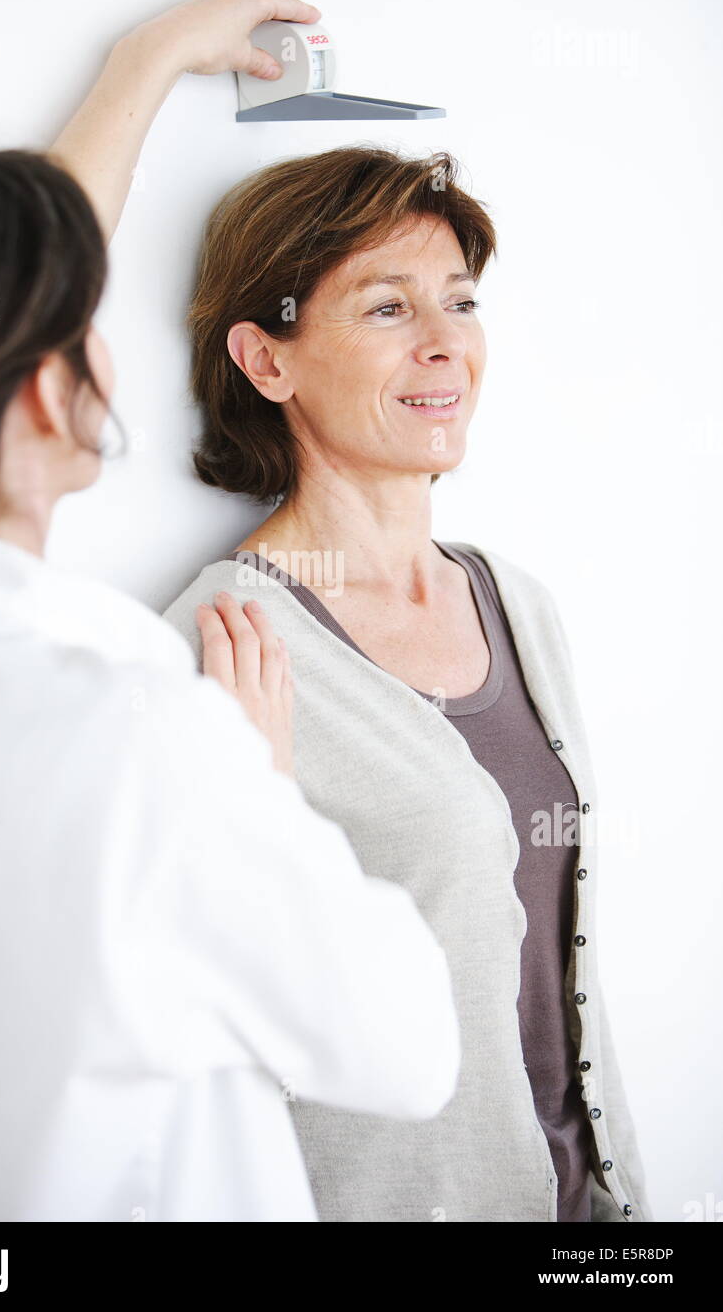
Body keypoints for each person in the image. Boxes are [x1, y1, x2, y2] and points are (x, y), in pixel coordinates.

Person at [0, 0, 461, 1224]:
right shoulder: (150, 724)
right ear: (43, 396)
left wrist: (146, 60)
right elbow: (406, 1047)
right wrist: (256, 787)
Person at [158, 146, 655, 1223]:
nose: (444, 345)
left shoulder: (514, 602)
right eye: (386, 309)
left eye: (460, 303)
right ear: (266, 360)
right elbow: (193, 1004)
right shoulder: (221, 639)